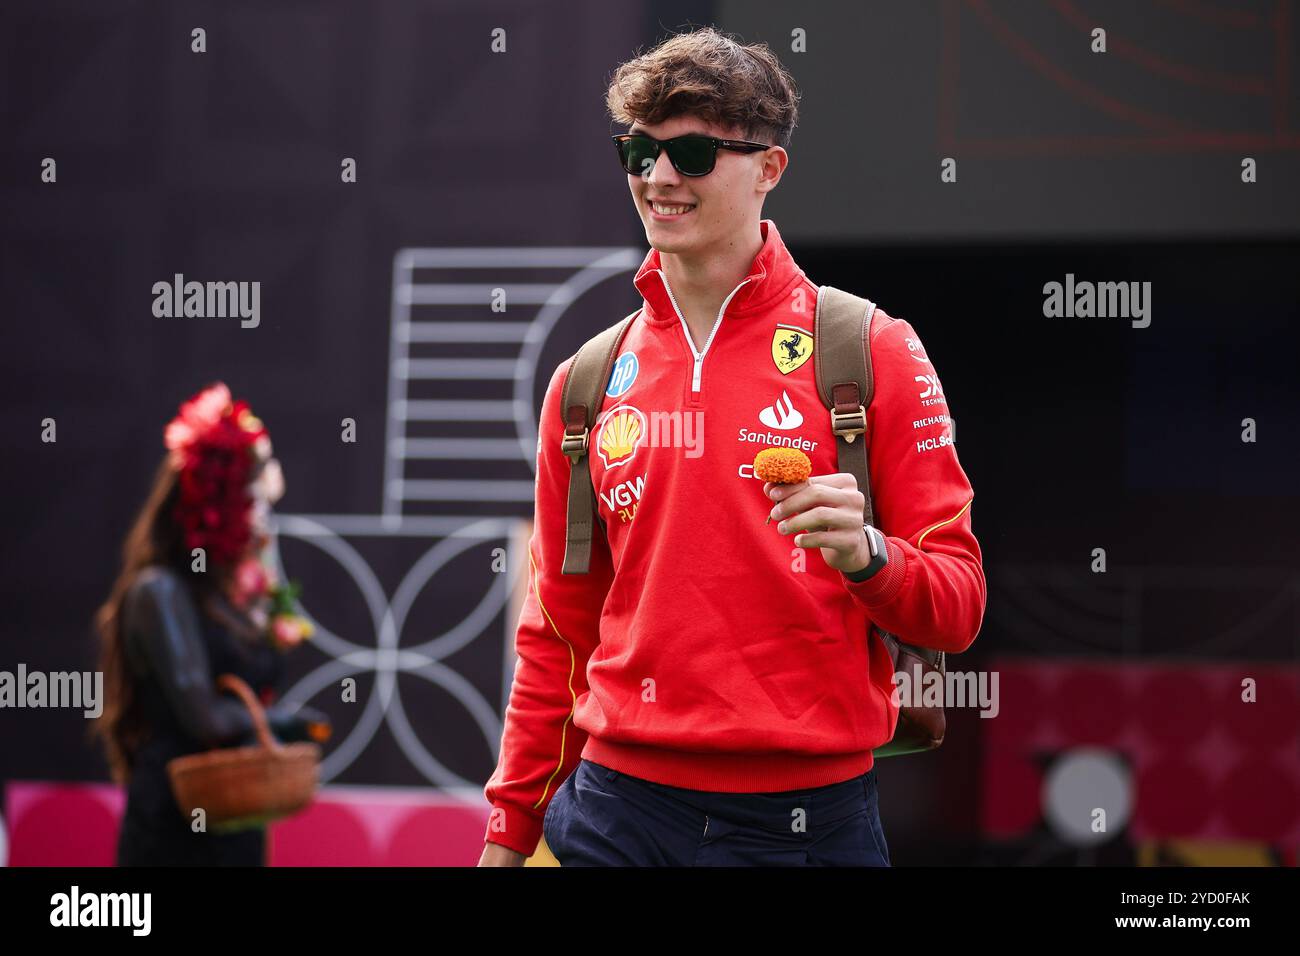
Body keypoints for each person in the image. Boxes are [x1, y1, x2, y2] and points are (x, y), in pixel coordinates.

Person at [480, 26, 985, 866]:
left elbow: (958, 606)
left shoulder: (867, 348)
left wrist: (866, 556)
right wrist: (507, 830)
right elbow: (557, 635)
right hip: (617, 815)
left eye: (693, 153)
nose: (658, 178)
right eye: (637, 151)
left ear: (769, 169)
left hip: (809, 823)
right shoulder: (586, 379)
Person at [94, 382, 329, 866]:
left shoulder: (230, 596)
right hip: (176, 822)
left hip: (234, 818)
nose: (262, 514)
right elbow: (204, 716)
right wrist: (284, 722)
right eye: (251, 499)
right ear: (218, 504)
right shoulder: (159, 592)